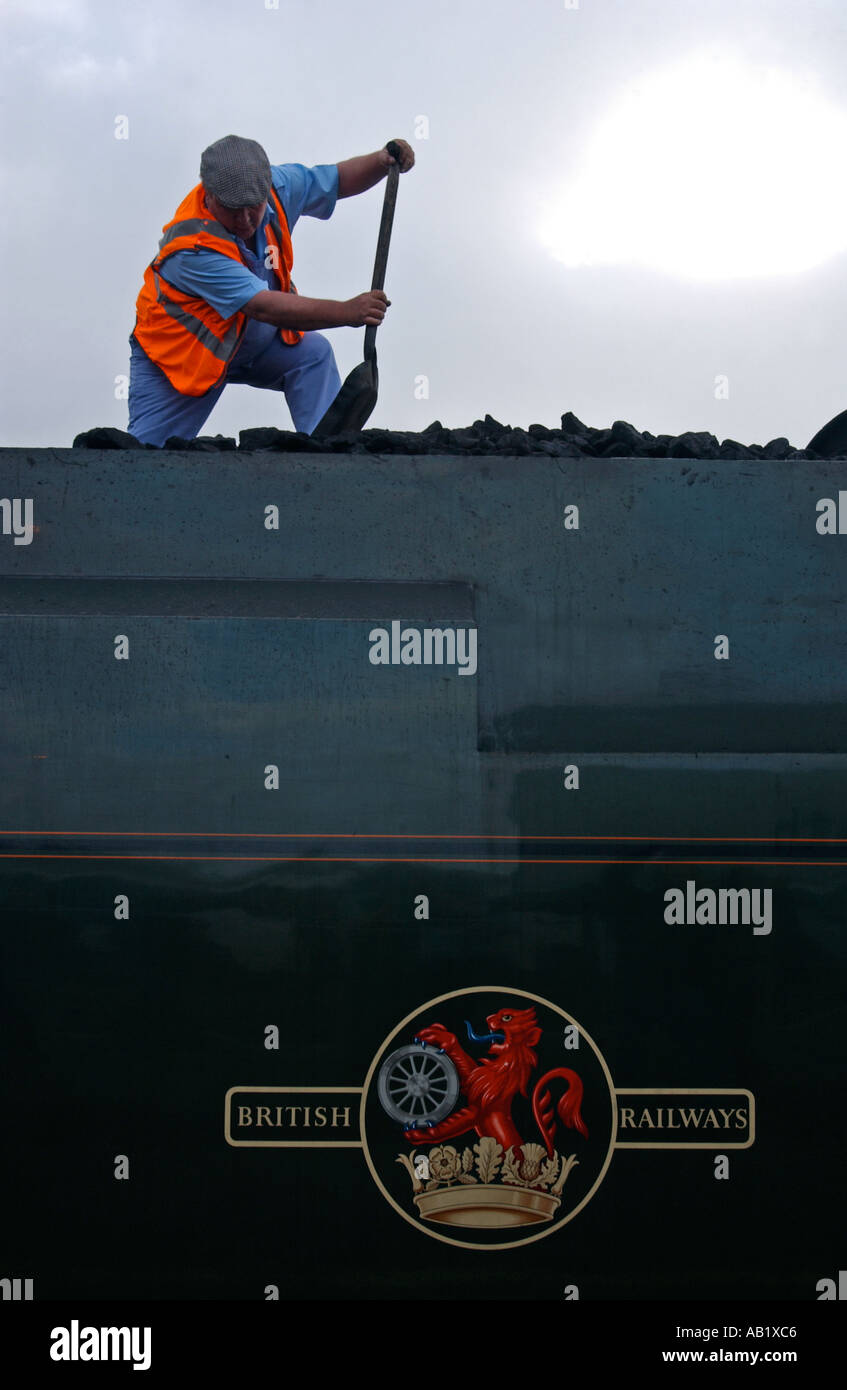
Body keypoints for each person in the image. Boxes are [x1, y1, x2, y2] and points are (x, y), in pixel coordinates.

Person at [128, 133, 414, 446]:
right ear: (208, 196)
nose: (246, 219)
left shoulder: (278, 187)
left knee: (314, 354)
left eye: (253, 207)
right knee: (142, 460)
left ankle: (330, 460)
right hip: (184, 357)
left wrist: (380, 161)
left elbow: (337, 180)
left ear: (266, 189)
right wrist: (348, 311)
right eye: (233, 209)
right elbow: (264, 306)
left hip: (252, 341)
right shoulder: (191, 247)